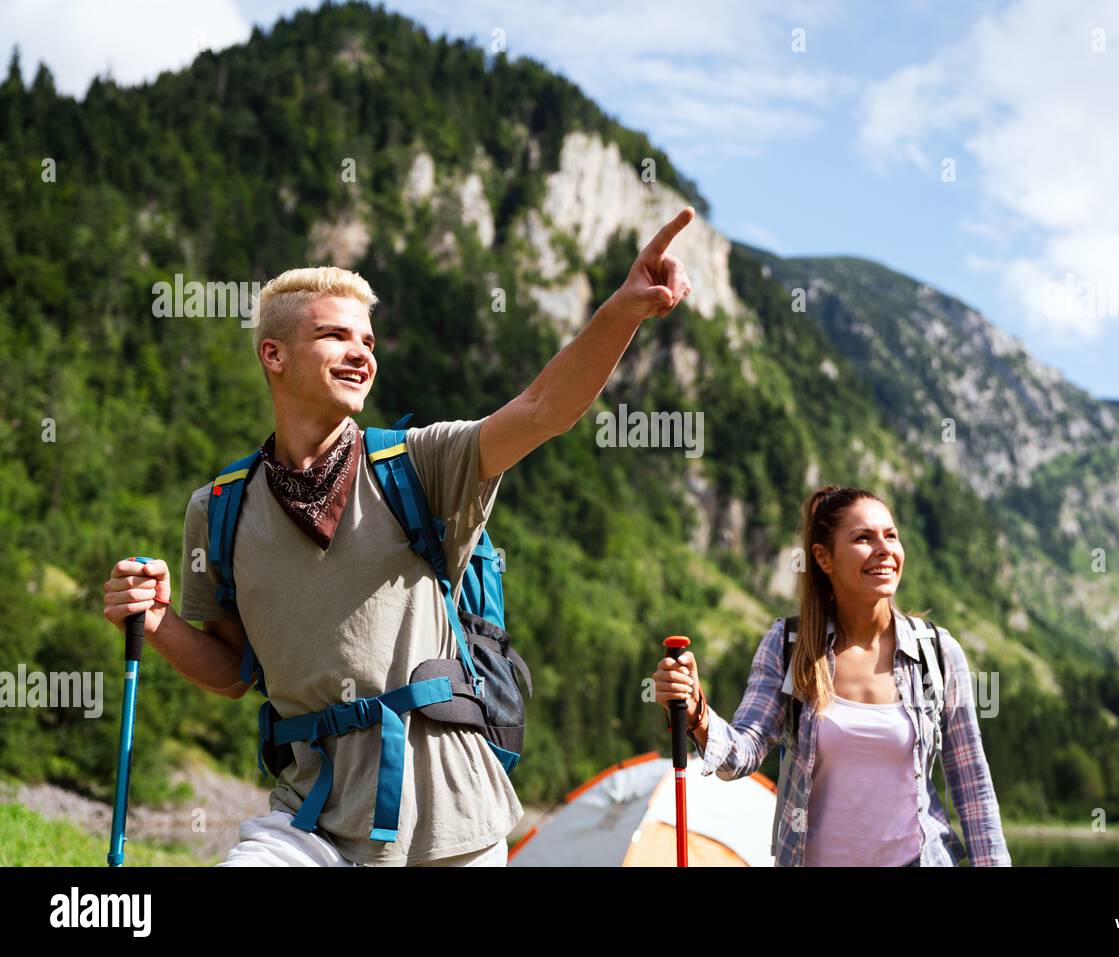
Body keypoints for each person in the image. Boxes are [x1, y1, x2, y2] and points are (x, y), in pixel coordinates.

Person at [102, 208, 696, 866]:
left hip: (451, 826)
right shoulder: (219, 509)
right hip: (309, 818)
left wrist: (622, 310)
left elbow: (542, 408)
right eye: (335, 335)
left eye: (369, 340)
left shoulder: (422, 465)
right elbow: (233, 671)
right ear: (274, 354)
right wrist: (155, 622)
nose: (361, 352)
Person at [654, 485, 1011, 866]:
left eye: (891, 535)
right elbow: (742, 754)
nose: (884, 549)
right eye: (863, 538)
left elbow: (973, 788)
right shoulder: (789, 646)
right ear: (824, 558)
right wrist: (696, 713)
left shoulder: (935, 654)